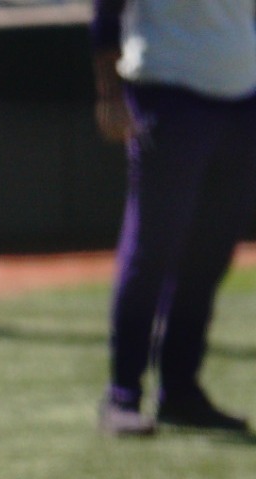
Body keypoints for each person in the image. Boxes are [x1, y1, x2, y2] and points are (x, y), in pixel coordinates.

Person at [92, 0, 256, 437]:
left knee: (210, 254)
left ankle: (180, 390)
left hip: (242, 100)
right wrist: (110, 93)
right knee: (152, 248)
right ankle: (122, 393)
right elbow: (107, 10)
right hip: (166, 94)